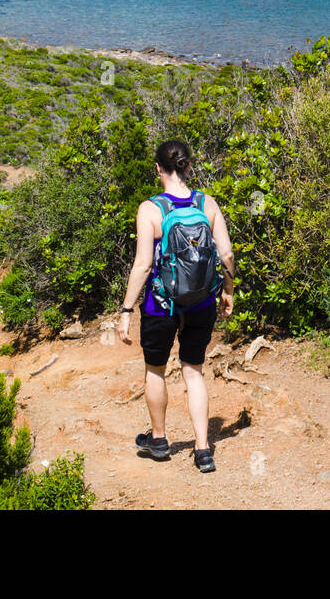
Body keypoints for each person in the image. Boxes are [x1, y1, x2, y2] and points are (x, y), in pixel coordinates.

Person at [119, 140, 235, 472]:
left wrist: (126, 310)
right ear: (187, 165)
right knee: (194, 370)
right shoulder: (207, 203)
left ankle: (158, 439)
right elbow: (226, 255)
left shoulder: (150, 209)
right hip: (201, 302)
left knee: (156, 369)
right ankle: (202, 449)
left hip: (160, 304)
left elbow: (142, 265)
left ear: (158, 168)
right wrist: (227, 291)